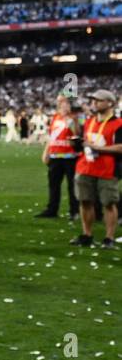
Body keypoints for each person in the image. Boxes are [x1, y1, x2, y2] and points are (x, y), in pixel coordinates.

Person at [70, 89, 121, 248]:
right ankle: (87, 234)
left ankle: (109, 238)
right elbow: (86, 142)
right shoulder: (90, 121)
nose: (94, 103)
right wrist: (77, 144)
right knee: (84, 201)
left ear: (110, 103)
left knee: (108, 203)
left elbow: (120, 147)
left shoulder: (119, 124)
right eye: (93, 100)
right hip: (85, 166)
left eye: (98, 100)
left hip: (107, 169)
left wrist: (96, 148)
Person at [38, 95, 81, 219]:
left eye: (63, 102)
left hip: (70, 156)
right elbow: (52, 137)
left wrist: (71, 120)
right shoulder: (55, 117)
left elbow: (78, 134)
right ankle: (52, 209)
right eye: (59, 102)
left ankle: (74, 210)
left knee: (72, 185)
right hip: (55, 155)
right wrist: (46, 152)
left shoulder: (74, 118)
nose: (61, 104)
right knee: (53, 184)